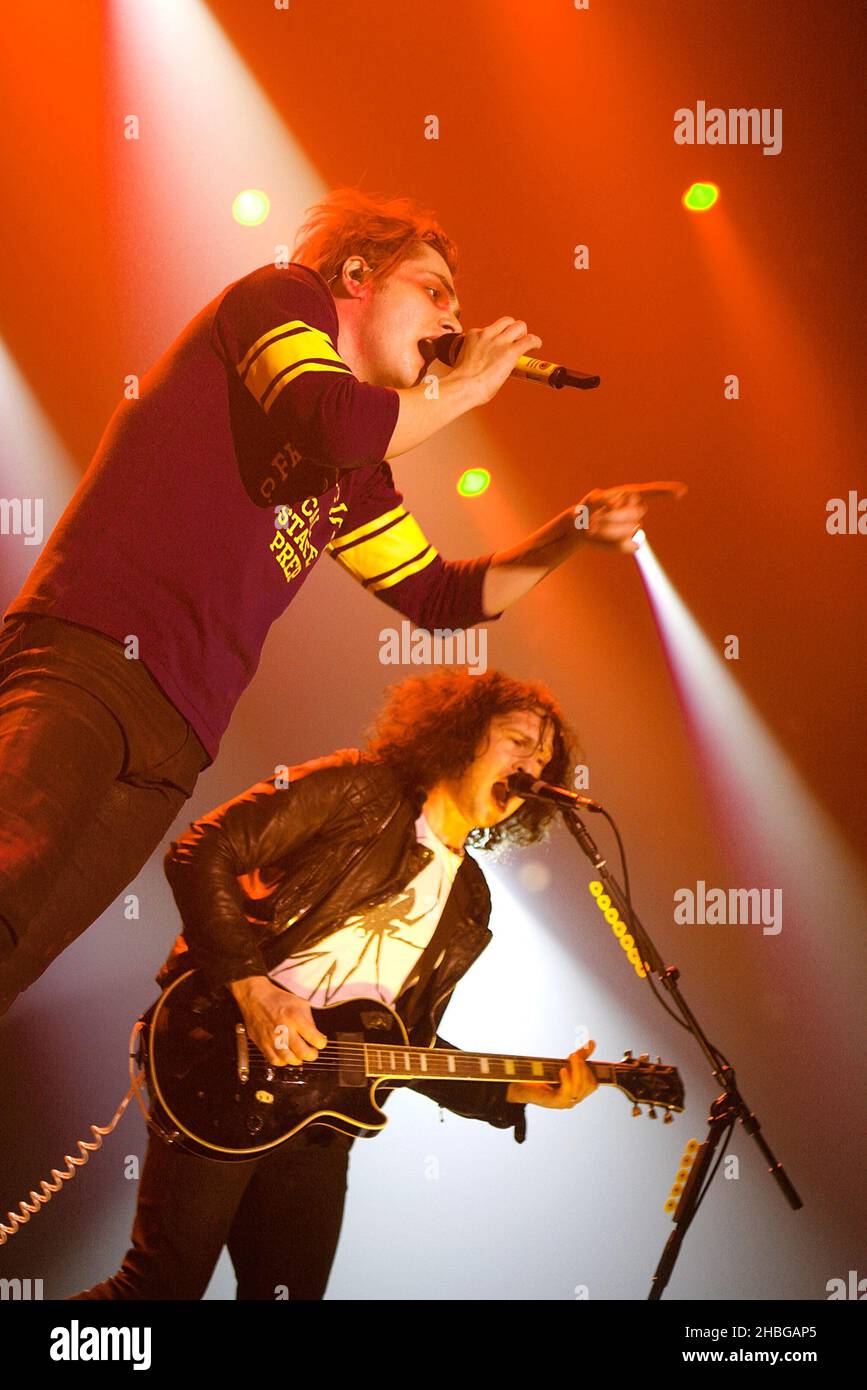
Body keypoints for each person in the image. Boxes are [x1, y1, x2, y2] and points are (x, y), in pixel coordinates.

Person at [0, 185, 681, 1014]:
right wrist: (463, 390)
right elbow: (329, 418)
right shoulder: (280, 297)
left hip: (178, 735)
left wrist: (569, 531)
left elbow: (437, 595)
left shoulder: (356, 474)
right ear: (357, 274)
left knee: (21, 952)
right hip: (95, 650)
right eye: (433, 290)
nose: (449, 319)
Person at [71, 670, 599, 1301]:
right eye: (517, 741)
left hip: (320, 1116)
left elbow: (408, 1047)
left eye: (544, 758)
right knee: (157, 1291)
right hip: (220, 1056)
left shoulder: (468, 901)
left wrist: (510, 1093)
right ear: (462, 735)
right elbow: (200, 849)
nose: (532, 767)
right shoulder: (361, 788)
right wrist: (252, 989)